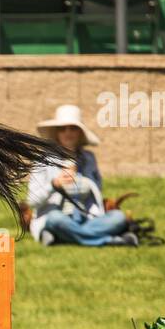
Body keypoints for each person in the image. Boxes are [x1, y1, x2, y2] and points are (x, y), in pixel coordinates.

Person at [25, 104, 135, 247]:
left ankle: (63, 236)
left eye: (73, 128)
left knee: (118, 218)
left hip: (88, 218)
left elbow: (97, 191)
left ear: (80, 133)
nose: (68, 132)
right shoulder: (43, 160)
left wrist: (82, 179)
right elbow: (32, 201)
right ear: (57, 133)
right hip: (55, 215)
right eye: (63, 129)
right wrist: (54, 184)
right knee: (55, 219)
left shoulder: (89, 159)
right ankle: (109, 240)